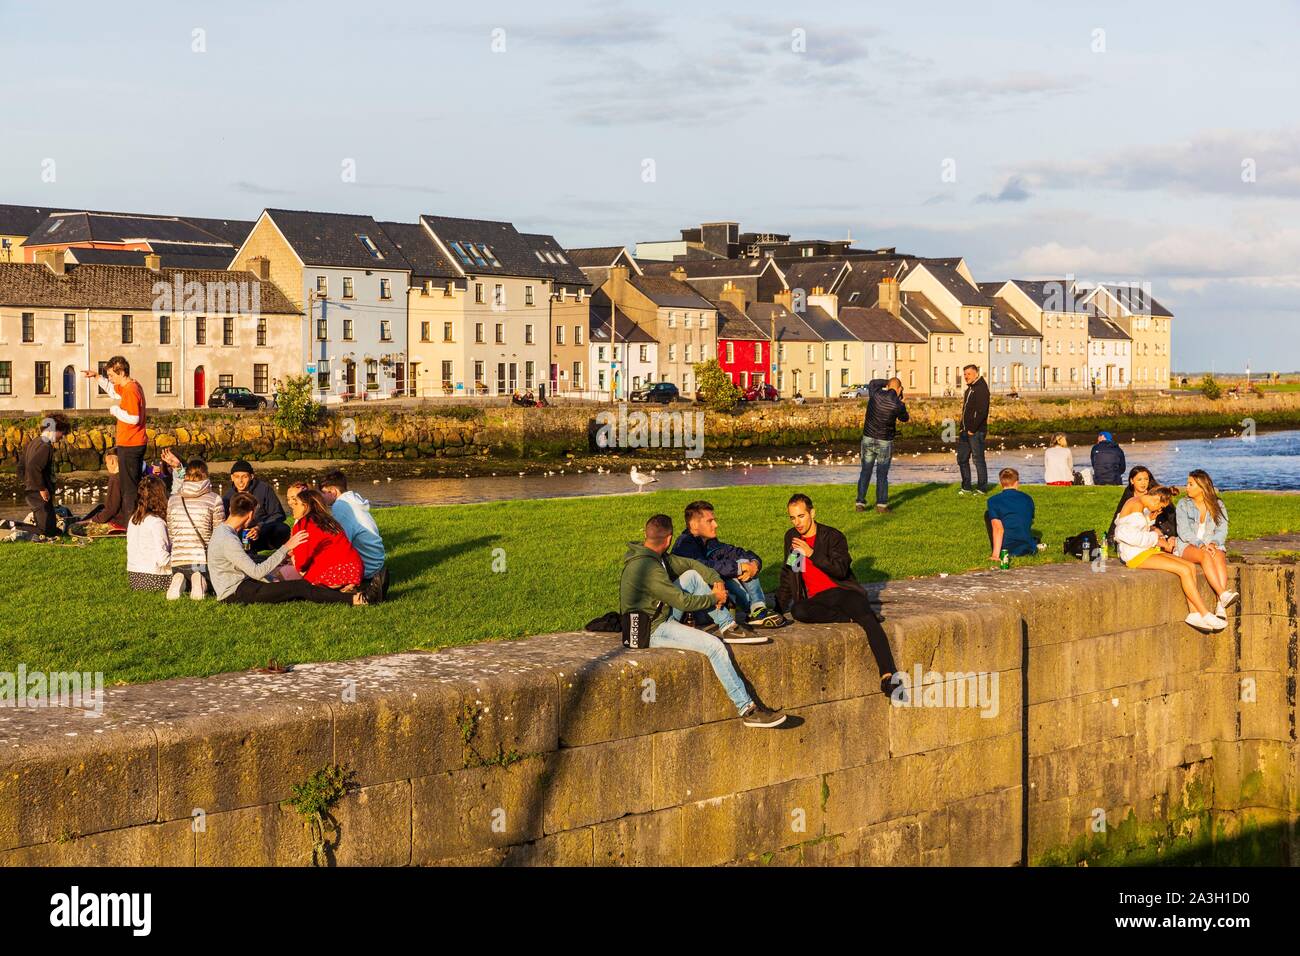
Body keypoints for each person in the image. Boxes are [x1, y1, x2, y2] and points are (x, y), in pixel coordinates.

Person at [621, 514, 786, 728]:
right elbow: (683, 601)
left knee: (692, 576)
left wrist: (716, 580)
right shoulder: (646, 568)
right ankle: (747, 710)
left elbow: (690, 564)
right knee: (715, 647)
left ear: (646, 535)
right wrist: (715, 597)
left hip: (660, 614)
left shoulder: (655, 556)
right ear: (669, 539)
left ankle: (728, 626)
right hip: (650, 630)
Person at [776, 493, 900, 696]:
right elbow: (790, 571)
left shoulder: (832, 536)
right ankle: (850, 618)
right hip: (817, 602)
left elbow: (840, 571)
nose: (797, 522)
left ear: (812, 513)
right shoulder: (792, 538)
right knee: (798, 610)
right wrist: (775, 610)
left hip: (843, 593)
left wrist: (812, 553)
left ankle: (888, 676)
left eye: (801, 516)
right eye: (793, 518)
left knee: (868, 621)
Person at [208, 492, 378, 606]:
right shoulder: (228, 539)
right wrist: (285, 548)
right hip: (236, 593)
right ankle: (357, 599)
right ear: (251, 514)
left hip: (239, 585)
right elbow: (256, 572)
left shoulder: (222, 531)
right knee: (300, 587)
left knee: (283, 578)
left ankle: (354, 592)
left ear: (230, 509)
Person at [1112, 485, 1224, 632]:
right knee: (1183, 570)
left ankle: (1194, 613)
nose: (1158, 510)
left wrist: (1150, 520)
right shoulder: (1135, 504)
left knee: (1189, 566)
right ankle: (1204, 613)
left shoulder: (1140, 503)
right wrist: (1156, 539)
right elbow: (1122, 534)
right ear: (1156, 498)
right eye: (1160, 506)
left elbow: (1134, 526)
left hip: (1145, 550)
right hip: (1135, 555)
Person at [671, 500, 787, 628]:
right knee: (735, 568)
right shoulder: (684, 545)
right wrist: (738, 568)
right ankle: (752, 613)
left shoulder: (710, 542)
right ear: (694, 525)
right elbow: (703, 567)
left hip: (718, 600)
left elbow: (738, 553)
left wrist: (754, 564)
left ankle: (757, 609)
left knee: (745, 562)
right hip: (696, 611)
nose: (716, 524)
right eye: (710, 521)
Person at [84, 356, 147, 519]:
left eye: (112, 375)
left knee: (129, 489)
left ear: (122, 372)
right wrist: (97, 377)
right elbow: (112, 390)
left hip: (132, 444)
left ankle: (131, 525)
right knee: (129, 486)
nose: (110, 379)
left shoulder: (131, 390)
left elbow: (134, 418)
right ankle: (133, 522)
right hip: (131, 443)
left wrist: (115, 410)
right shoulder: (128, 386)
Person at [1174, 470, 1237, 618]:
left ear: (1202, 487)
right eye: (1187, 484)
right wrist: (1201, 544)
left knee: (1219, 557)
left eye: (1190, 484)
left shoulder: (1218, 504)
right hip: (1188, 545)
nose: (1186, 487)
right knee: (1205, 555)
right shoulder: (1183, 504)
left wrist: (1214, 543)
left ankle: (1220, 608)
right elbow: (1183, 532)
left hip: (1211, 543)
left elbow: (1222, 529)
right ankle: (1222, 594)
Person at [163, 455, 225, 601]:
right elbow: (219, 533)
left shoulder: (173, 499)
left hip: (178, 560)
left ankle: (179, 578)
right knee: (207, 579)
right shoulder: (214, 498)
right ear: (206, 475)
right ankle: (200, 581)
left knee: (182, 572)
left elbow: (171, 533)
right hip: (202, 560)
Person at [318, 471, 388, 597]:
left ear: (333, 491)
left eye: (323, 492)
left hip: (366, 568)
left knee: (318, 574)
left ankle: (354, 584)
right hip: (376, 562)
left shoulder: (340, 506)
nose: (322, 497)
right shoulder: (353, 499)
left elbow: (341, 543)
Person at [289, 487, 364, 590]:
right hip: (355, 569)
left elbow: (302, 561)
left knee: (284, 573)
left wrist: (294, 560)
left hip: (331, 572)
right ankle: (347, 585)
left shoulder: (303, 524)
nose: (292, 506)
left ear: (305, 506)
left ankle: (334, 587)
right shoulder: (330, 521)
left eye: (296, 503)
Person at [856, 377, 909, 513]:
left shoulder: (876, 394)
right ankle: (881, 505)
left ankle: (860, 503)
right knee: (882, 474)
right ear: (899, 389)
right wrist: (902, 403)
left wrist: (888, 383)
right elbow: (905, 418)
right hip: (884, 441)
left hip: (868, 438)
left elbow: (872, 382)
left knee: (865, 471)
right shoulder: (897, 404)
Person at [21, 414, 72, 536]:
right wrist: (42, 488)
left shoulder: (33, 442)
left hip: (31, 489)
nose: (62, 437)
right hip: (38, 492)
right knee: (47, 530)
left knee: (50, 527)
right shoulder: (45, 446)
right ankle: (14, 528)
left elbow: (21, 466)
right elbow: (34, 467)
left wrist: (26, 482)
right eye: (62, 433)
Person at [222, 460, 290, 551]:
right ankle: (245, 553)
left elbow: (278, 514)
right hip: (240, 532)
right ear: (232, 477)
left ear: (251, 477)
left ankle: (274, 551)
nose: (240, 481)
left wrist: (259, 527)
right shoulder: (228, 496)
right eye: (237, 477)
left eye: (244, 477)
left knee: (283, 529)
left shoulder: (264, 489)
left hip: (263, 529)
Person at [125, 475, 173, 591]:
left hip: (134, 577)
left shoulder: (133, 519)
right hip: (155, 577)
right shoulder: (157, 523)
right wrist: (181, 561)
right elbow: (162, 559)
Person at [1107, 466, 1177, 542]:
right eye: (1139, 479)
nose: (1143, 483)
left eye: (1146, 479)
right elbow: (1120, 512)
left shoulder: (1154, 493)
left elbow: (1171, 515)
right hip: (1137, 529)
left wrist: (1172, 535)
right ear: (1132, 481)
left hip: (1158, 525)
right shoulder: (1129, 492)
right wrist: (1111, 535)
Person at [986, 468, 1039, 561]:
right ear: (1017, 482)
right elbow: (1030, 520)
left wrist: (995, 555)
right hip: (1028, 547)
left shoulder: (993, 500)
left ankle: (997, 549)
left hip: (1006, 549)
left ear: (1001, 483)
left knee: (988, 515)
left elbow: (998, 528)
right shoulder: (1028, 498)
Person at [957, 364, 990, 496]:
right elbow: (965, 411)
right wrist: (962, 428)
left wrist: (972, 429)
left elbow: (982, 412)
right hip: (965, 431)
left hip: (976, 431)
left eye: (968, 374)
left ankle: (982, 488)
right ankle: (966, 486)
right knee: (962, 459)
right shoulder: (969, 389)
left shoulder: (981, 389)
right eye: (964, 374)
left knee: (978, 459)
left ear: (976, 374)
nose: (966, 377)